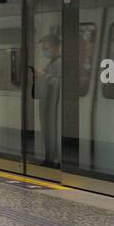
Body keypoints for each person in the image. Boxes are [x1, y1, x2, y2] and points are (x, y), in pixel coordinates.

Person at [35, 32, 62, 167]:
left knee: (53, 131)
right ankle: (49, 157)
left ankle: (55, 159)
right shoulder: (51, 63)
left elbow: (60, 83)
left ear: (56, 47)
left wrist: (44, 75)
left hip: (54, 104)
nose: (45, 52)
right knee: (46, 131)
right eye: (43, 49)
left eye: (47, 48)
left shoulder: (60, 63)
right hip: (47, 102)